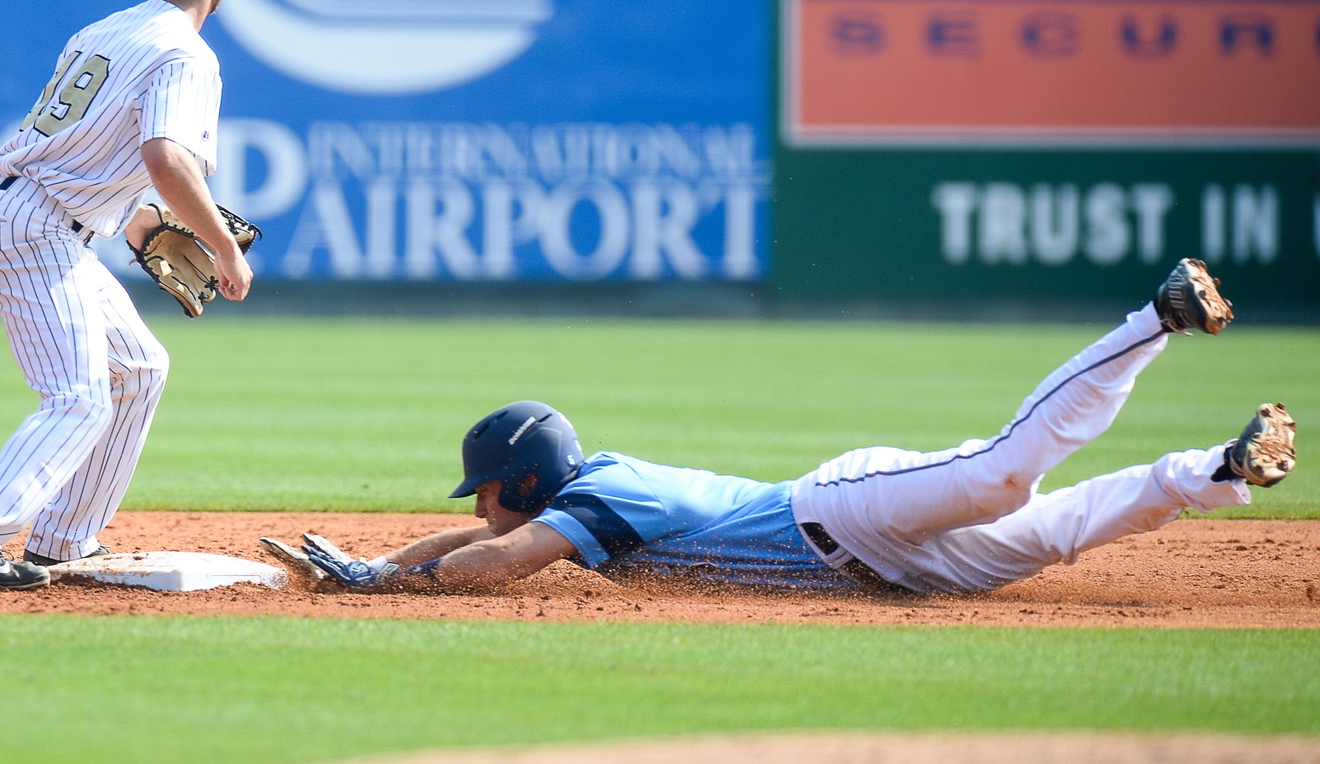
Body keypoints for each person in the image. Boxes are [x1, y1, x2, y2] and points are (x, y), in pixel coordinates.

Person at [277, 259, 1296, 597]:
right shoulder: (580, 495)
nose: (479, 505)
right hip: (883, 573)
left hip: (839, 508)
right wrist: (377, 564)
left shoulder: (597, 499)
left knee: (1004, 474)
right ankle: (1211, 467)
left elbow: (497, 561)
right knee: (1052, 532)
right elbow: (478, 538)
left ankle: (1153, 318)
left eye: (487, 488)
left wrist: (391, 582)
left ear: (528, 483)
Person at [0, 0, 257, 590]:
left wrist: (135, 221)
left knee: (139, 369)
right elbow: (167, 159)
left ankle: (64, 538)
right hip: (39, 231)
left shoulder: (104, 30)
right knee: (77, 395)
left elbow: (83, 146)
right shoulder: (187, 54)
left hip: (33, 219)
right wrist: (222, 246)